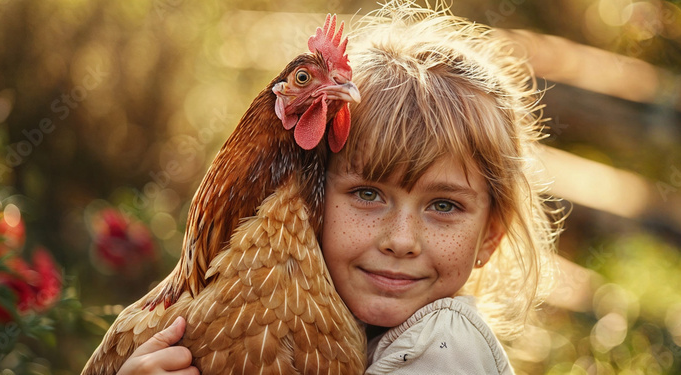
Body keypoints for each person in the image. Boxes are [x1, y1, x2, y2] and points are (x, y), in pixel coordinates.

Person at [117, 1, 561, 374]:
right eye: (368, 194)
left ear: (490, 236)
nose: (401, 241)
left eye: (443, 205)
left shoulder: (442, 347)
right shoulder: (342, 320)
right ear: (310, 204)